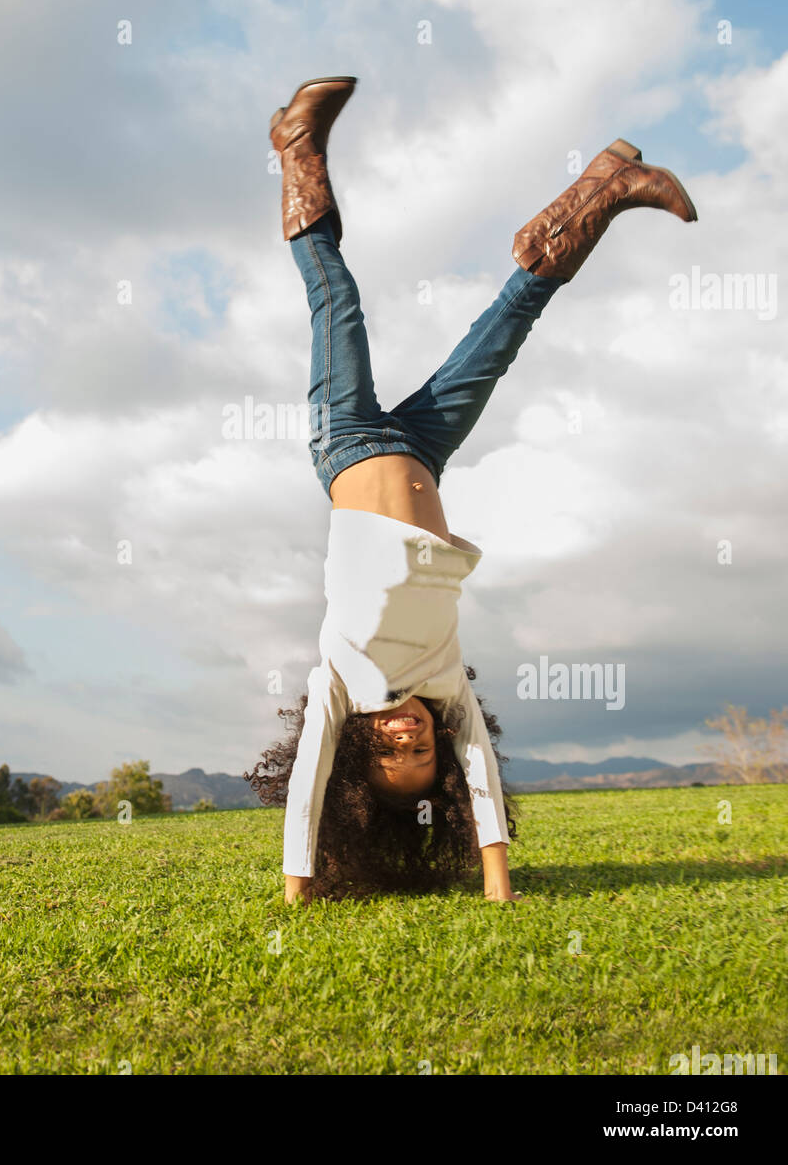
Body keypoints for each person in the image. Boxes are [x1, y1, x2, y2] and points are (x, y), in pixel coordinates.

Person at [245, 77, 697, 905]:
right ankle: (606, 185)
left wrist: (298, 893)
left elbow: (306, 794)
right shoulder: (447, 683)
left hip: (345, 445)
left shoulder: (337, 682)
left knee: (336, 300)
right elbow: (482, 779)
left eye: (393, 752)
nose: (410, 737)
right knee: (506, 330)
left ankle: (292, 144)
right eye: (423, 755)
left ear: (357, 747)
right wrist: (500, 887)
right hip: (424, 451)